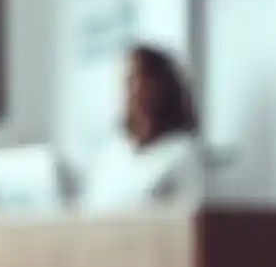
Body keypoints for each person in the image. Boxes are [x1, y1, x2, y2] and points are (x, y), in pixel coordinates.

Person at [80, 45, 205, 211]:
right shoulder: (112, 154)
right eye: (127, 80)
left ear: (160, 88)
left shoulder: (181, 154)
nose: (130, 89)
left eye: (137, 78)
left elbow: (190, 223)